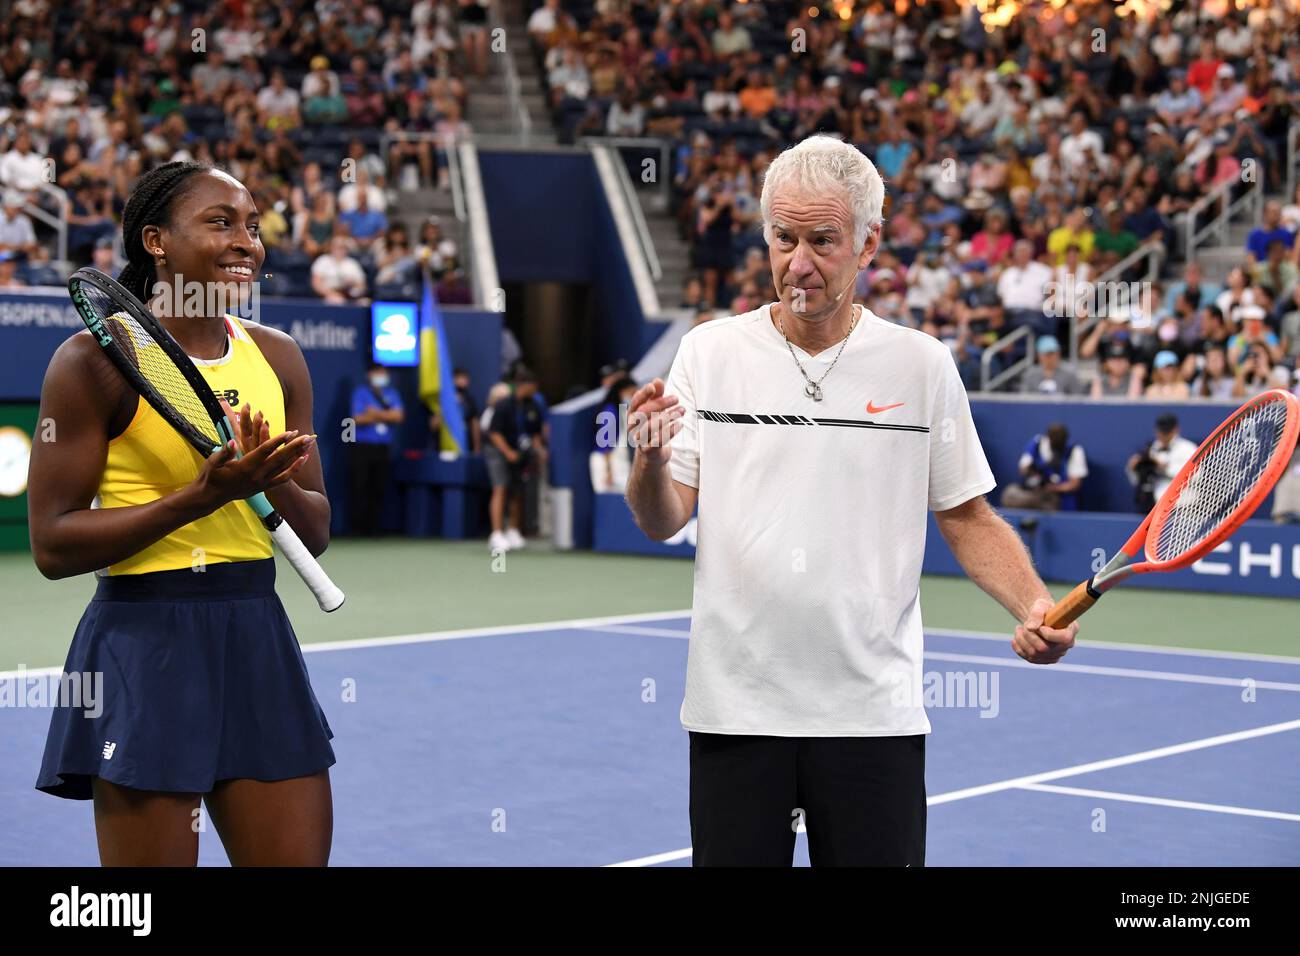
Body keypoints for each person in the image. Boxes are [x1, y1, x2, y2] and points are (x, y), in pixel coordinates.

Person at [624, 136, 1077, 868]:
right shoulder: (709, 354)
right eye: (783, 238)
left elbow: (966, 515)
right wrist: (646, 457)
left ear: (869, 242)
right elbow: (661, 516)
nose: (797, 263)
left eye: (823, 240)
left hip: (872, 717)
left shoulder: (921, 364)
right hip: (736, 712)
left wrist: (1034, 605)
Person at [27, 162, 334, 865]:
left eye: (253, 227)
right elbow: (53, 544)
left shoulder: (279, 357)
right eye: (221, 222)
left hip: (259, 635)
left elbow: (313, 530)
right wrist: (201, 496)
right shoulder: (90, 362)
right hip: (145, 646)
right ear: (156, 240)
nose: (245, 242)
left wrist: (268, 481)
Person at [485, 366, 545, 552]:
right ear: (523, 385)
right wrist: (508, 452)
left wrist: (539, 451)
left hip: (520, 453)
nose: (535, 389)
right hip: (497, 450)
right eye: (533, 385)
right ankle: (496, 534)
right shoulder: (503, 405)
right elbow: (494, 432)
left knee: (518, 491)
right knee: (500, 488)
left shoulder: (532, 405)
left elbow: (535, 433)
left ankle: (512, 530)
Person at [349, 361, 404, 535]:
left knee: (379, 487)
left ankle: (373, 528)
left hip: (383, 447)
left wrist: (375, 414)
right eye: (378, 373)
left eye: (384, 373)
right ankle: (357, 529)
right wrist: (386, 415)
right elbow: (356, 418)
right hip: (363, 446)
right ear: (370, 375)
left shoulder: (392, 393)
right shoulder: (361, 393)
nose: (382, 376)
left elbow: (399, 416)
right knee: (360, 486)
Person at [1001, 423, 1089, 511]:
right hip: (1033, 492)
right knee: (1010, 493)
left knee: (1050, 502)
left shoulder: (1074, 451)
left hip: (1056, 497)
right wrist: (1033, 472)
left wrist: (1052, 488)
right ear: (1048, 437)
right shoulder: (1037, 444)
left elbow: (1074, 484)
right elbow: (1023, 469)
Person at [1128, 413, 1198, 510]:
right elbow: (1136, 481)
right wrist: (1134, 468)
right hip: (1153, 506)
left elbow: (1196, 476)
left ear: (1176, 429)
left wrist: (1165, 468)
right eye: (1161, 430)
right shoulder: (1151, 449)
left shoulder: (1188, 449)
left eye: (1167, 431)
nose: (1163, 434)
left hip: (1183, 506)